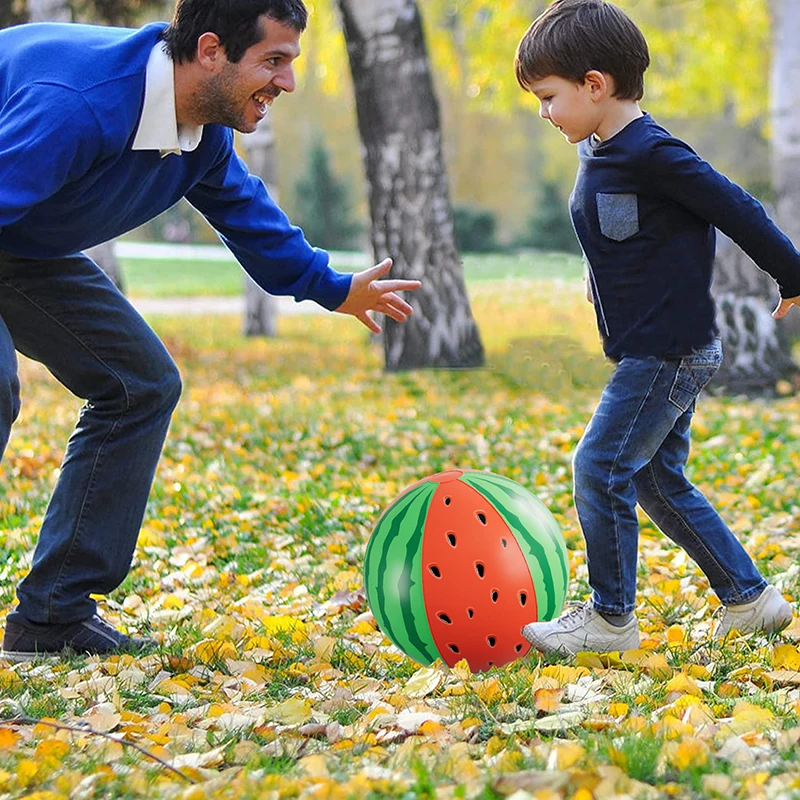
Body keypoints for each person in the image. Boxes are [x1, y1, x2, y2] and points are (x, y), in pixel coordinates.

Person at [0, 0, 420, 661]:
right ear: (211, 51)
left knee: (139, 384)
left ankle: (51, 618)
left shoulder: (199, 135)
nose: (287, 83)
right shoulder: (79, 103)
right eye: (274, 61)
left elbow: (249, 218)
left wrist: (333, 287)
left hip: (19, 241)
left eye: (291, 63)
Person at [514, 0, 800, 656]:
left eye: (550, 97)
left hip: (668, 348)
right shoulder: (603, 149)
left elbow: (738, 207)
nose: (544, 112)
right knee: (654, 477)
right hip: (658, 345)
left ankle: (611, 620)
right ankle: (750, 599)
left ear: (595, 85)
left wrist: (794, 275)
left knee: (599, 463)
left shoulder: (652, 151)